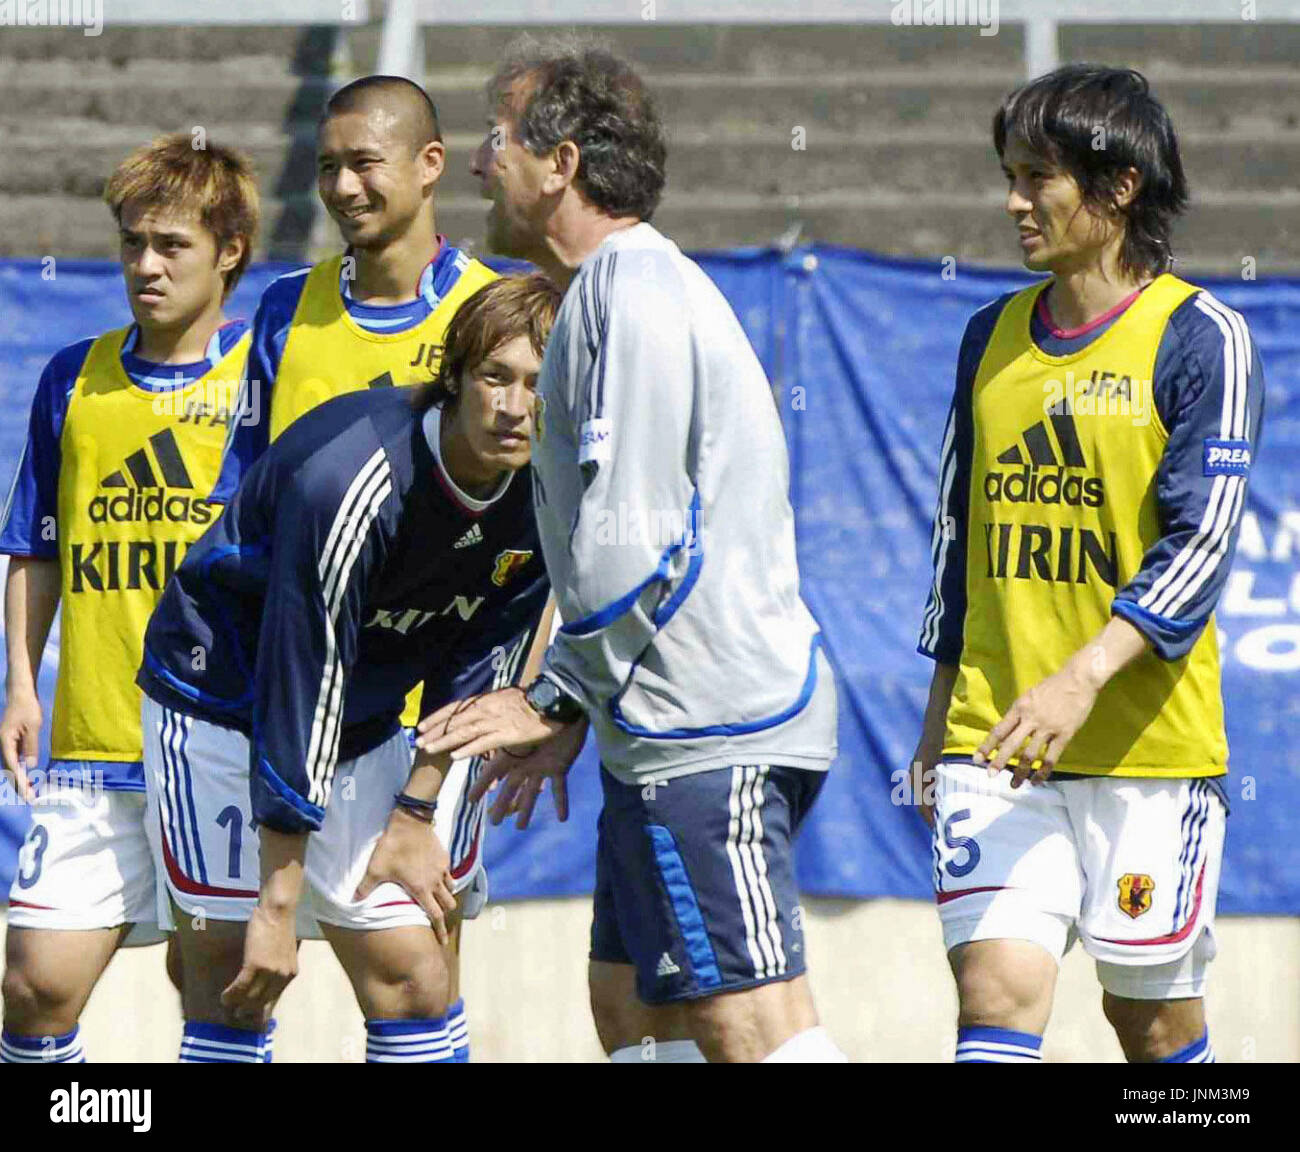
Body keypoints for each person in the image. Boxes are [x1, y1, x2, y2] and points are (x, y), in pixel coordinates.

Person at [418, 39, 845, 1064]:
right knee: (628, 1006)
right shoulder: (603, 295)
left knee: (749, 1021)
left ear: (558, 162)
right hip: (655, 726)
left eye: (494, 141)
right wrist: (589, 706)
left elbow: (638, 539)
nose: (480, 165)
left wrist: (554, 695)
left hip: (712, 729)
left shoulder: (632, 292)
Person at [911, 65, 1264, 1064]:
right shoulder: (988, 337)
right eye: (1010, 176)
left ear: (1119, 189)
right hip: (997, 740)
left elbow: (1196, 549)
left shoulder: (1204, 339)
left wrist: (1080, 678)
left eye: (1038, 178)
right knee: (994, 993)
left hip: (1144, 757)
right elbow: (956, 545)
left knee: (1148, 1025)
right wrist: (941, 718)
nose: (1014, 202)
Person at [137, 274, 557, 1063]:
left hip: (357, 717)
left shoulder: (547, 489)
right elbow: (303, 676)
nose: (513, 406)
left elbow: (481, 667)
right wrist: (279, 898)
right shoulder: (355, 480)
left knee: (414, 976)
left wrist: (413, 813)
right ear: (456, 376)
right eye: (496, 377)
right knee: (235, 979)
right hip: (222, 701)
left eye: (539, 385)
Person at [209, 72, 503, 1052]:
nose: (341, 186)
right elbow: (239, 517)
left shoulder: (494, 313)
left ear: (428, 168)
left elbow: (536, 531)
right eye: (328, 166)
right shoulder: (284, 312)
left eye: (363, 163)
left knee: (417, 969)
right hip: (296, 696)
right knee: (220, 968)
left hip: (437, 703)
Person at [0, 135, 258, 1063]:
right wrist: (22, 687)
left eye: (171, 245)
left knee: (217, 995)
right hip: (91, 749)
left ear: (228, 250)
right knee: (33, 988)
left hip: (221, 745)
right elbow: (35, 546)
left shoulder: (262, 382)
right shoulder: (72, 377)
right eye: (131, 243)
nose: (145, 266)